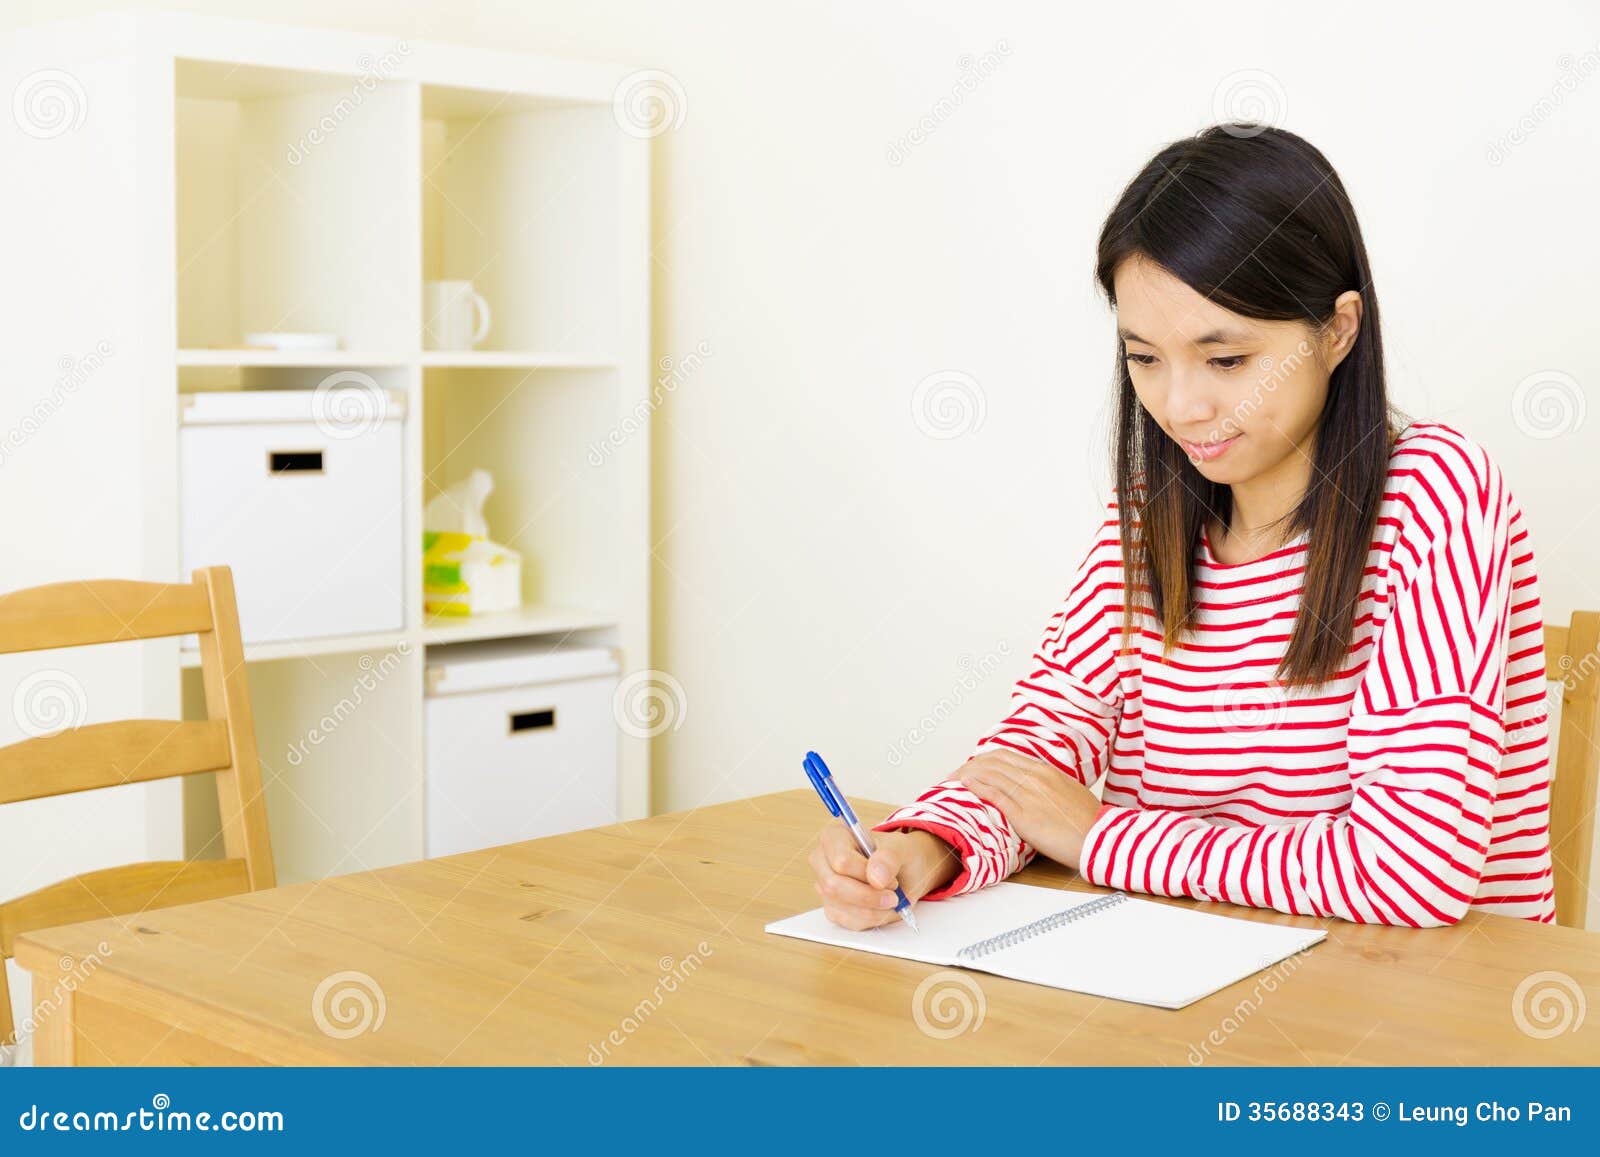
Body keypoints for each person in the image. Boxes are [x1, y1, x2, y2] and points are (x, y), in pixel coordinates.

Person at [809, 123, 1554, 930]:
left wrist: (1100, 836)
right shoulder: (1148, 513)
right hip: (1185, 997)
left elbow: (1412, 869)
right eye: (1145, 357)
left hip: (1418, 1024)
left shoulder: (1435, 492)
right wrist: (926, 846)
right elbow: (1036, 750)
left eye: (1226, 359)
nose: (1180, 407)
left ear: (1338, 328)